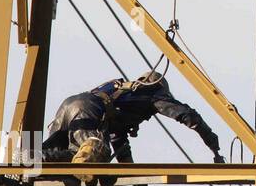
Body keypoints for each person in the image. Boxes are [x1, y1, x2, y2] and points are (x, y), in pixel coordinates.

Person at [41, 70, 223, 169]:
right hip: (88, 110)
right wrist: (211, 141)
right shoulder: (152, 93)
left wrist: (130, 174)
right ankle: (35, 157)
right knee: (87, 160)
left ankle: (25, 155)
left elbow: (118, 138)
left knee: (56, 164)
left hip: (70, 104)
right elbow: (187, 115)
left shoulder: (124, 95)